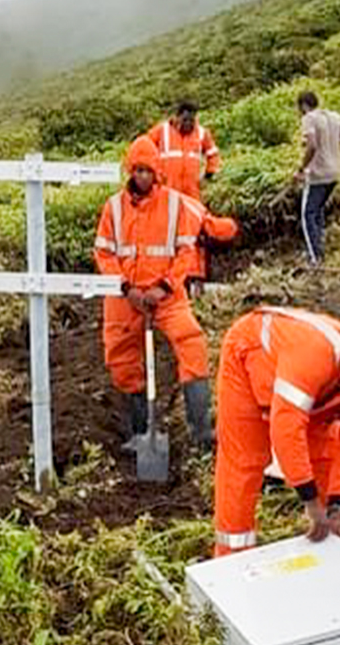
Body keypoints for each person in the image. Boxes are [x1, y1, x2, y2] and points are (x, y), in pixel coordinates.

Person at [213, 306, 340, 557]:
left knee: (326, 459)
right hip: (247, 357)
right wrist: (310, 502)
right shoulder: (316, 354)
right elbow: (286, 429)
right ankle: (231, 559)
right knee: (245, 462)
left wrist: (337, 505)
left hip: (316, 393)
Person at [94, 135, 213, 451]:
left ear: (156, 172)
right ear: (130, 171)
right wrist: (125, 287)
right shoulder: (113, 207)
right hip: (125, 298)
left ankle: (201, 434)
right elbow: (104, 253)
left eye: (147, 171)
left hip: (166, 296)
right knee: (122, 359)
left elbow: (186, 252)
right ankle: (140, 433)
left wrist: (163, 287)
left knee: (192, 346)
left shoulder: (175, 205)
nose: (142, 176)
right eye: (137, 170)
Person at [148, 100, 237, 296]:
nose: (189, 124)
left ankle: (194, 277)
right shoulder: (161, 131)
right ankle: (166, 277)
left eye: (192, 120)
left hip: (192, 196)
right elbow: (144, 150)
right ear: (177, 117)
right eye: (186, 120)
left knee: (195, 237)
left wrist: (210, 173)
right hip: (166, 195)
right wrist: (152, 178)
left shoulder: (202, 133)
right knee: (166, 236)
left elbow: (213, 154)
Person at [294, 90, 340, 265]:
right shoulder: (335, 116)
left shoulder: (309, 118)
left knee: (308, 214)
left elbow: (312, 146)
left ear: (303, 106)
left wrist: (300, 169)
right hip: (335, 173)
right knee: (319, 209)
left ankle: (316, 259)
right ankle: (320, 247)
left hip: (318, 175)